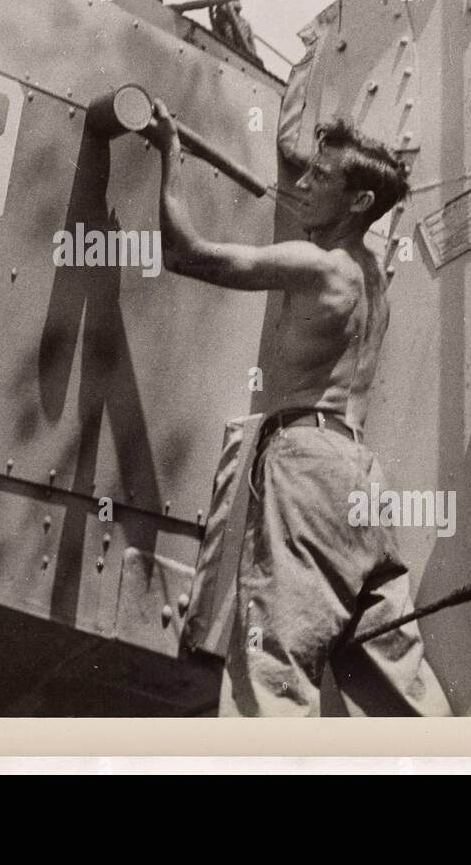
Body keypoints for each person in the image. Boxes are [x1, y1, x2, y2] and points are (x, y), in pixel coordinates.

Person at [148, 100, 453, 718]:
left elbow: (186, 253)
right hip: (359, 477)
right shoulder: (374, 283)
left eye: (322, 177)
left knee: (274, 668)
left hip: (306, 466)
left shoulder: (317, 267)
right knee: (398, 679)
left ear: (360, 203)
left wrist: (169, 157)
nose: (305, 184)